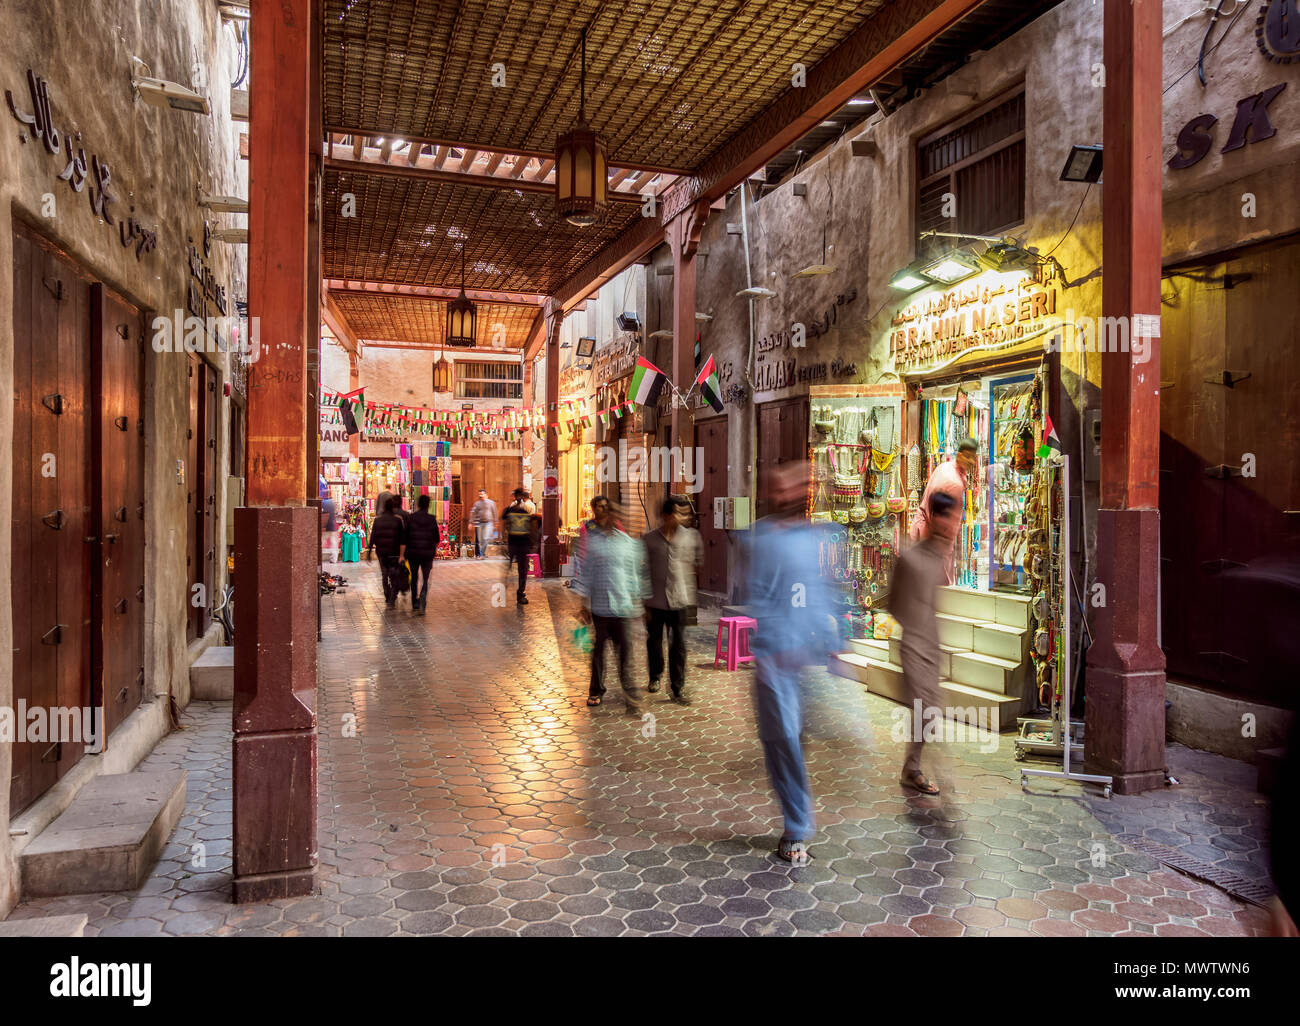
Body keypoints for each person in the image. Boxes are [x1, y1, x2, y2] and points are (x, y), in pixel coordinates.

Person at [746, 461, 839, 863]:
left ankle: (797, 817)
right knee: (783, 743)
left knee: (798, 740)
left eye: (803, 485)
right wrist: (766, 651)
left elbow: (815, 591)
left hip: (805, 660)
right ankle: (795, 827)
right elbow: (758, 596)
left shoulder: (808, 537)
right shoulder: (761, 538)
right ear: (773, 491)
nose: (796, 493)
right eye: (787, 487)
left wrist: (833, 640)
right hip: (775, 660)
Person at [892, 490, 960, 795]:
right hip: (914, 645)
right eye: (948, 517)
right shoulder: (910, 557)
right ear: (935, 518)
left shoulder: (940, 557)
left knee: (931, 708)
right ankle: (915, 768)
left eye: (955, 517)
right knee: (925, 706)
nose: (952, 524)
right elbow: (893, 603)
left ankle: (913, 767)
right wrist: (914, 627)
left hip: (931, 643)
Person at [573, 497, 647, 714]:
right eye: (605, 512)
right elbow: (586, 574)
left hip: (623, 606)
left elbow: (634, 576)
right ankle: (595, 690)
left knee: (625, 652)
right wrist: (583, 604)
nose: (611, 517)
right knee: (598, 651)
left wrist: (639, 604)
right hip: (601, 606)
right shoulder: (593, 541)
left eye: (613, 513)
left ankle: (631, 696)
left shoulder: (629, 543)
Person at [642, 495, 702, 705]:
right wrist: (643, 603)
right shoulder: (649, 539)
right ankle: (655, 676)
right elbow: (643, 571)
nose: (684, 517)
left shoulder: (692, 537)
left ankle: (677, 688)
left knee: (678, 645)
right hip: (655, 601)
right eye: (679, 512)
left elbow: (694, 568)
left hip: (680, 600)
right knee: (654, 642)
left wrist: (692, 603)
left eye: (685, 513)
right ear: (667, 515)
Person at [910, 436, 976, 585]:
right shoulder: (953, 483)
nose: (972, 462)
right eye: (968, 457)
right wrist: (952, 555)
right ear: (959, 455)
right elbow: (944, 525)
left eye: (973, 457)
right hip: (933, 544)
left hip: (924, 536)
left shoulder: (944, 467)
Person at [367, 497, 407, 609]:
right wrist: (402, 554)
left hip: (381, 552)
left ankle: (387, 594)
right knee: (394, 576)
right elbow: (402, 539)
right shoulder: (398, 520)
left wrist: (369, 551)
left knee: (384, 574)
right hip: (394, 552)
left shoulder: (378, 520)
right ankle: (392, 598)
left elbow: (373, 537)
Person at [404, 494, 441, 615]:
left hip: (413, 552)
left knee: (414, 577)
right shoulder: (432, 519)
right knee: (426, 577)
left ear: (418, 504)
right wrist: (433, 548)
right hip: (427, 553)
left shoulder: (411, 518)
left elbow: (405, 537)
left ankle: (414, 601)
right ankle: (424, 592)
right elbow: (437, 538)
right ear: (428, 505)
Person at [502, 488, 539, 605]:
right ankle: (518, 593)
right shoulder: (518, 510)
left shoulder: (511, 510)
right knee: (521, 570)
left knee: (517, 569)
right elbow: (530, 527)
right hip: (520, 544)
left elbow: (505, 525)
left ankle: (516, 592)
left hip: (516, 543)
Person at [469, 489, 498, 558]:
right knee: (480, 540)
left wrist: (496, 521)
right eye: (479, 494)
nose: (480, 495)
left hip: (488, 523)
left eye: (482, 494)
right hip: (479, 523)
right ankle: (481, 554)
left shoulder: (491, 503)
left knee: (486, 538)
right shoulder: (477, 503)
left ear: (486, 495)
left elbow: (494, 512)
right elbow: (473, 513)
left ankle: (481, 554)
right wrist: (471, 522)